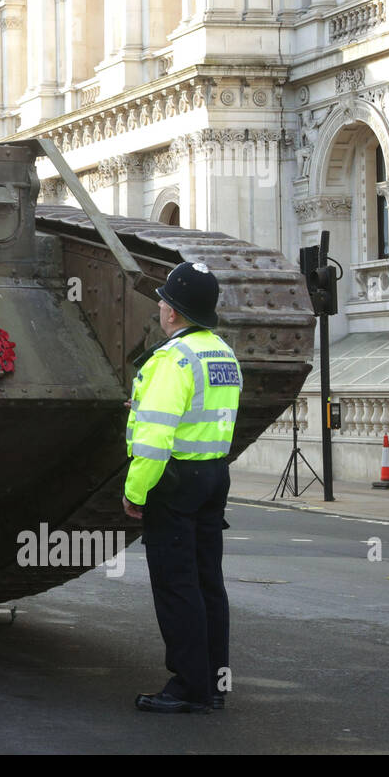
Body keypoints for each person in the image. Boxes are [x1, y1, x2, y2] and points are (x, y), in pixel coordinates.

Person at [122, 261, 241, 714]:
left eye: (163, 299)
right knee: (209, 581)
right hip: (214, 474)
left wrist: (136, 491)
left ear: (173, 312)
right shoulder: (222, 353)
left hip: (174, 480)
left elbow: (154, 438)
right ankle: (213, 683)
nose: (158, 304)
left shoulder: (173, 360)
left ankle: (188, 685)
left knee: (176, 585)